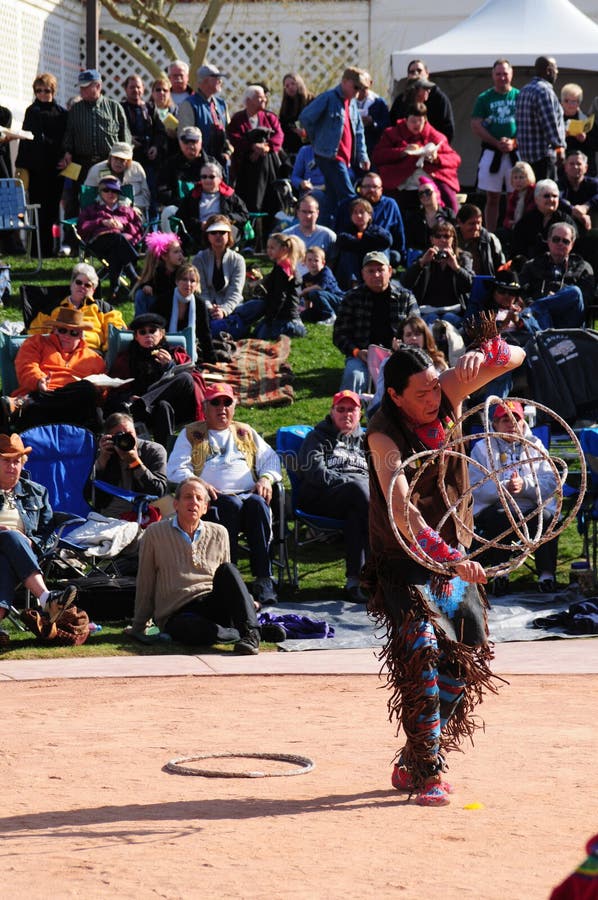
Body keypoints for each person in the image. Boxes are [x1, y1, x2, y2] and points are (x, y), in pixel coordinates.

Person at [365, 327, 526, 805]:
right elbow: (402, 511)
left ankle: (414, 758)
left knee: (465, 655)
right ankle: (430, 771)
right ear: (395, 396)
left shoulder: (449, 389)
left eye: (436, 385)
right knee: (421, 648)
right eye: (421, 393)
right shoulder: (383, 434)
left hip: (453, 553)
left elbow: (515, 357)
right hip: (405, 560)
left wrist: (487, 353)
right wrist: (450, 559)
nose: (434, 397)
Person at [166, 382, 283, 606]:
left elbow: (271, 460)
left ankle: (263, 579)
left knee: (258, 505)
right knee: (231, 505)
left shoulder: (245, 432)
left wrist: (266, 478)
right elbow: (175, 469)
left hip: (247, 496)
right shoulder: (191, 433)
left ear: (234, 406)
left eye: (227, 402)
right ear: (205, 406)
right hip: (212, 501)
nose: (222, 408)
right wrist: (198, 484)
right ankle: (232, 579)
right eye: (215, 403)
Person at [131, 477, 266, 654]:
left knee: (228, 569)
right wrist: (139, 626)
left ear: (205, 508)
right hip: (177, 611)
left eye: (199, 498)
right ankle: (245, 632)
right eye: (187, 497)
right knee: (196, 631)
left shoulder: (219, 532)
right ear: (176, 504)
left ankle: (251, 634)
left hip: (212, 602)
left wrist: (247, 600)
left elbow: (227, 581)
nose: (193, 502)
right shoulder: (154, 533)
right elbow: (146, 580)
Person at [469, 400, 559, 595]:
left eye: (515, 419)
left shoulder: (535, 445)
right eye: (504, 420)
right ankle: (501, 572)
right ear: (494, 424)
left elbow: (551, 481)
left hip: (532, 504)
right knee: (500, 517)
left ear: (523, 422)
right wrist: (504, 488)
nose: (511, 424)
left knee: (548, 519)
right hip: (497, 506)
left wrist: (524, 485)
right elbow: (475, 487)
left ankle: (546, 576)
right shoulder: (482, 448)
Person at [0, 433, 78, 647]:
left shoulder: (36, 492)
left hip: (25, 554)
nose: (12, 466)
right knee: (8, 536)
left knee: (5, 556)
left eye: (17, 461)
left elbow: (48, 532)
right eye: (6, 460)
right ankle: (46, 598)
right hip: (17, 553)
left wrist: (30, 542)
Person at [298, 389, 369, 602]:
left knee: (357, 513)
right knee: (359, 492)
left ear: (360, 414)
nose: (346, 414)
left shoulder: (367, 440)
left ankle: (354, 582)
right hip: (323, 497)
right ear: (332, 411)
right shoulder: (317, 437)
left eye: (351, 409)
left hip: (360, 501)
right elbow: (313, 471)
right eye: (341, 409)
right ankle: (377, 572)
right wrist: (349, 482)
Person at [108, 311, 209, 448]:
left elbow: (194, 381)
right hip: (141, 413)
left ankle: (145, 400)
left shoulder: (175, 353)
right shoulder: (126, 359)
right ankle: (164, 453)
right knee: (162, 405)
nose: (148, 335)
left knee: (184, 378)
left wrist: (171, 365)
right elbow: (113, 389)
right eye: (142, 332)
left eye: (152, 331)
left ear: (161, 334)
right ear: (136, 337)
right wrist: (130, 398)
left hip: (177, 408)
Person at [2, 307, 105, 433]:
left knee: (87, 390)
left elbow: (103, 388)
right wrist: (39, 381)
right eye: (62, 330)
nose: (67, 336)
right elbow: (27, 366)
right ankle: (32, 400)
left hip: (72, 406)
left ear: (81, 336)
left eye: (73, 333)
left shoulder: (95, 358)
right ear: (54, 330)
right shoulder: (36, 342)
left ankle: (25, 401)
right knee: (86, 392)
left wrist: (101, 390)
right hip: (40, 406)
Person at [333, 250, 419, 393]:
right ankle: (348, 411)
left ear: (390, 271)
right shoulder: (351, 298)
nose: (376, 275)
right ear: (363, 274)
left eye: (380, 270)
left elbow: (418, 332)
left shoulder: (406, 297)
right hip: (361, 357)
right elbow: (339, 335)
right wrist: (357, 352)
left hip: (399, 355)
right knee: (354, 375)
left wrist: (401, 348)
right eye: (371, 271)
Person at [300, 67, 370, 227]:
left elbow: (359, 132)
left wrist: (363, 155)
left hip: (345, 159)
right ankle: (356, 229)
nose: (358, 92)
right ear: (345, 82)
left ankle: (328, 231)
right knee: (349, 196)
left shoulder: (352, 105)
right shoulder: (329, 98)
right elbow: (305, 117)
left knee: (331, 198)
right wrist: (317, 140)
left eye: (361, 89)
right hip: (330, 156)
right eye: (356, 87)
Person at [373, 102, 461, 215]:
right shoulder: (392, 134)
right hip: (401, 179)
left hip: (430, 177)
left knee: (448, 197)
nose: (417, 124)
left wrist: (436, 158)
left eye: (420, 121)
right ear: (406, 120)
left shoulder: (435, 135)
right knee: (389, 202)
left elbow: (454, 158)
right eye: (413, 121)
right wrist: (403, 152)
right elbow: (378, 156)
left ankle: (454, 224)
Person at [14, 73, 67, 257]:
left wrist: (66, 156)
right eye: (38, 90)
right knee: (36, 211)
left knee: (52, 212)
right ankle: (36, 251)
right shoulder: (32, 111)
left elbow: (66, 140)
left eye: (46, 90)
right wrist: (21, 166)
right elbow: (27, 141)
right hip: (36, 170)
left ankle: (51, 249)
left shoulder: (61, 113)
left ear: (53, 91)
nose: (42, 94)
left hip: (56, 170)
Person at [27, 262, 125, 353]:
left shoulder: (103, 308)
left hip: (91, 354)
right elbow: (33, 332)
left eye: (87, 285)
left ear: (93, 290)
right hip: (57, 354)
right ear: (71, 284)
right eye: (78, 282)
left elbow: (117, 331)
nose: (82, 286)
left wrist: (106, 352)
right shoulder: (54, 308)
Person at [193, 215, 264, 339]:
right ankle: (231, 327)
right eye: (214, 232)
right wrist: (211, 309)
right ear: (207, 235)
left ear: (229, 235)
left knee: (258, 305)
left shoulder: (238, 260)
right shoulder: (199, 259)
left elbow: (235, 292)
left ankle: (221, 326)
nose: (218, 236)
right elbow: (201, 291)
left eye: (222, 232)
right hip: (207, 309)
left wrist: (224, 310)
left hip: (233, 308)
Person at [59, 69, 131, 192]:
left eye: (85, 87)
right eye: (80, 87)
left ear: (98, 86)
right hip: (82, 165)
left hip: (109, 163)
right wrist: (67, 152)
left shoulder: (114, 108)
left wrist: (125, 160)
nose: (81, 90)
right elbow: (69, 135)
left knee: (109, 197)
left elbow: (125, 138)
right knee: (83, 199)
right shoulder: (75, 110)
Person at [88, 412, 167, 522]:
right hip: (111, 516)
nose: (126, 439)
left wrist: (135, 462)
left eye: (130, 434)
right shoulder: (104, 453)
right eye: (120, 436)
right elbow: (88, 493)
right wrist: (102, 461)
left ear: (135, 431)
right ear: (110, 438)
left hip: (148, 512)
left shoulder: (154, 450)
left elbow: (159, 491)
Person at [227, 85, 285, 233]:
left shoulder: (270, 117)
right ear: (248, 101)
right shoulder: (238, 119)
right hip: (245, 167)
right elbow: (234, 137)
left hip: (268, 167)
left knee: (271, 199)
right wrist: (253, 147)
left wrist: (266, 148)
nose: (264, 99)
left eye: (264, 97)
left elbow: (278, 135)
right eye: (259, 97)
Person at [470, 59, 520, 234]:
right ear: (493, 75)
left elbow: (528, 123)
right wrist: (495, 142)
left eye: (505, 73)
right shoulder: (485, 98)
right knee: (492, 196)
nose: (502, 77)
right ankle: (491, 234)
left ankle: (517, 230)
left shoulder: (519, 96)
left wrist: (514, 142)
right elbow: (476, 124)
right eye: (498, 74)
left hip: (515, 152)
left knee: (518, 194)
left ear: (511, 74)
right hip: (492, 152)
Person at [77, 175, 143, 297]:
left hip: (123, 244)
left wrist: (123, 227)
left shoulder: (127, 209)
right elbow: (82, 227)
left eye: (114, 191)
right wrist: (101, 222)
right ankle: (134, 276)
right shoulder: (92, 209)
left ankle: (114, 290)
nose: (110, 193)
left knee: (116, 248)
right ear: (100, 192)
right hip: (99, 243)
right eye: (106, 190)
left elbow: (138, 229)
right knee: (117, 238)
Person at [520, 221, 594, 329]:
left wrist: (557, 298)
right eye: (556, 239)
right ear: (548, 241)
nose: (560, 243)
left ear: (572, 245)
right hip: (540, 319)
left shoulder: (583, 267)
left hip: (569, 319)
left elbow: (586, 298)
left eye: (565, 241)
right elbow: (522, 291)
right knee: (534, 315)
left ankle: (536, 308)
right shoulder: (532, 265)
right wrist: (539, 302)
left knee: (575, 292)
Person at [402, 222, 474, 327]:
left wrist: (456, 268)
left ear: (453, 239)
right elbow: (406, 283)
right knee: (432, 319)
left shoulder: (463, 258)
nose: (442, 240)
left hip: (455, 311)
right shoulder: (424, 257)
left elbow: (471, 285)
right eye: (438, 236)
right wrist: (421, 263)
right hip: (427, 312)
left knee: (449, 318)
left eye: (446, 236)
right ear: (432, 239)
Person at [336, 173, 406, 266]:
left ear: (381, 190)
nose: (371, 190)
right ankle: (353, 281)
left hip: (380, 248)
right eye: (367, 186)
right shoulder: (347, 205)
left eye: (375, 187)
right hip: (354, 247)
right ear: (360, 189)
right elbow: (340, 232)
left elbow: (398, 234)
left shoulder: (390, 205)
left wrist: (403, 258)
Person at [177, 160, 249, 249]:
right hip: (202, 231)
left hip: (225, 228)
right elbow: (182, 216)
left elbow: (244, 214)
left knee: (224, 233)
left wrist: (227, 218)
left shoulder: (229, 195)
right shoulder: (192, 195)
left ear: (220, 179)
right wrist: (199, 224)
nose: (207, 180)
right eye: (204, 177)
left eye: (211, 177)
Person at [515, 56, 565, 181]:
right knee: (546, 196)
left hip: (526, 157)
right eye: (556, 68)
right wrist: (560, 148)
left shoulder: (524, 91)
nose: (557, 72)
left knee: (532, 196)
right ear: (548, 70)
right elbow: (550, 125)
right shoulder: (544, 91)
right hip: (544, 157)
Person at [177, 63, 232, 169]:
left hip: (221, 162)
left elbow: (228, 131)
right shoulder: (189, 104)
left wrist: (228, 151)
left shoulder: (221, 104)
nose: (220, 81)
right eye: (216, 78)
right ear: (206, 80)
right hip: (200, 164)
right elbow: (185, 136)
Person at [331, 197, 392, 291]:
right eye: (355, 212)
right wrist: (366, 243)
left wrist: (361, 240)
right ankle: (353, 284)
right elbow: (342, 241)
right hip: (351, 272)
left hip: (370, 264)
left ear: (370, 215)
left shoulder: (376, 230)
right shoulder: (346, 231)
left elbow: (387, 240)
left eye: (362, 212)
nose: (358, 215)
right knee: (348, 254)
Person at [254, 233, 306, 339]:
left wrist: (270, 319)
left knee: (260, 335)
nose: (269, 250)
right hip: (288, 319)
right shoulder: (283, 265)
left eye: (272, 248)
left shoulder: (282, 269)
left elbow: (280, 297)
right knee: (257, 331)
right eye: (268, 247)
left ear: (284, 249)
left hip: (287, 321)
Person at [389, 60, 454, 144]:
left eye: (419, 70)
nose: (415, 73)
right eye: (411, 71)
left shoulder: (440, 99)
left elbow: (447, 130)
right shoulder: (401, 100)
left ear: (427, 73)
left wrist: (435, 147)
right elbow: (392, 125)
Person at [511, 180, 577, 260]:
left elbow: (574, 247)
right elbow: (517, 249)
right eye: (546, 196)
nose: (551, 199)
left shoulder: (566, 221)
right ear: (536, 199)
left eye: (555, 196)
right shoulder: (526, 221)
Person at [85, 141, 151, 220]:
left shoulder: (137, 169)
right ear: (110, 157)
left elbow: (146, 195)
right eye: (116, 158)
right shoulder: (96, 169)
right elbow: (87, 197)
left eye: (122, 160)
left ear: (129, 161)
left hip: (133, 211)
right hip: (103, 213)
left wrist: (134, 208)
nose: (118, 162)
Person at [157, 126, 215, 210]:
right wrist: (182, 203)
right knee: (169, 211)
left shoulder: (212, 164)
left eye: (194, 141)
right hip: (179, 207)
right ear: (180, 143)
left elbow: (222, 188)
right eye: (186, 142)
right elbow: (162, 190)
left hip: (207, 206)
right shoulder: (170, 164)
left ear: (201, 142)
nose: (190, 145)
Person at [282, 194, 336, 276]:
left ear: (317, 213)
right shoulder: (286, 235)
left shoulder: (328, 236)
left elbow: (332, 262)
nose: (308, 216)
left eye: (311, 212)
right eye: (304, 212)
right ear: (298, 213)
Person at [404, 175, 457, 251]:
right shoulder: (415, 217)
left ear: (437, 193)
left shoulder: (448, 213)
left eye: (428, 192)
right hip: (422, 255)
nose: (424, 195)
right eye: (421, 194)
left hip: (446, 252)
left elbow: (455, 237)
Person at [456, 204, 505, 276]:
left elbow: (501, 266)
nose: (476, 227)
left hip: (486, 284)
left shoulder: (490, 240)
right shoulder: (450, 240)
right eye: (471, 224)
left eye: (479, 223)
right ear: (459, 222)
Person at [299, 246, 343, 324]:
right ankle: (324, 316)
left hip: (337, 301)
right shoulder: (305, 278)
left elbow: (320, 287)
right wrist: (308, 311)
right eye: (309, 260)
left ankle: (330, 316)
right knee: (304, 316)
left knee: (315, 292)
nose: (313, 263)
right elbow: (307, 299)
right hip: (321, 306)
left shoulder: (325, 272)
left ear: (323, 263)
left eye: (316, 260)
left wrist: (304, 290)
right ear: (304, 262)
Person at [355, 71, 390, 157]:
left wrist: (372, 123)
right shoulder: (349, 101)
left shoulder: (378, 102)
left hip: (372, 146)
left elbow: (386, 126)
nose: (361, 91)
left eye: (364, 88)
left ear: (370, 83)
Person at [278, 73, 314, 157]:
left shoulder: (311, 101)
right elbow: (283, 127)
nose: (290, 87)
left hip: (311, 147)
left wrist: (307, 133)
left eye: (293, 83)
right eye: (287, 86)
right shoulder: (286, 106)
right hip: (291, 150)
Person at [503, 161, 536, 231]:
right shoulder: (513, 196)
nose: (518, 181)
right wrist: (509, 223)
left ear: (528, 178)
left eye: (521, 177)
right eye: (515, 178)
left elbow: (530, 213)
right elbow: (508, 216)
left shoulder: (534, 192)